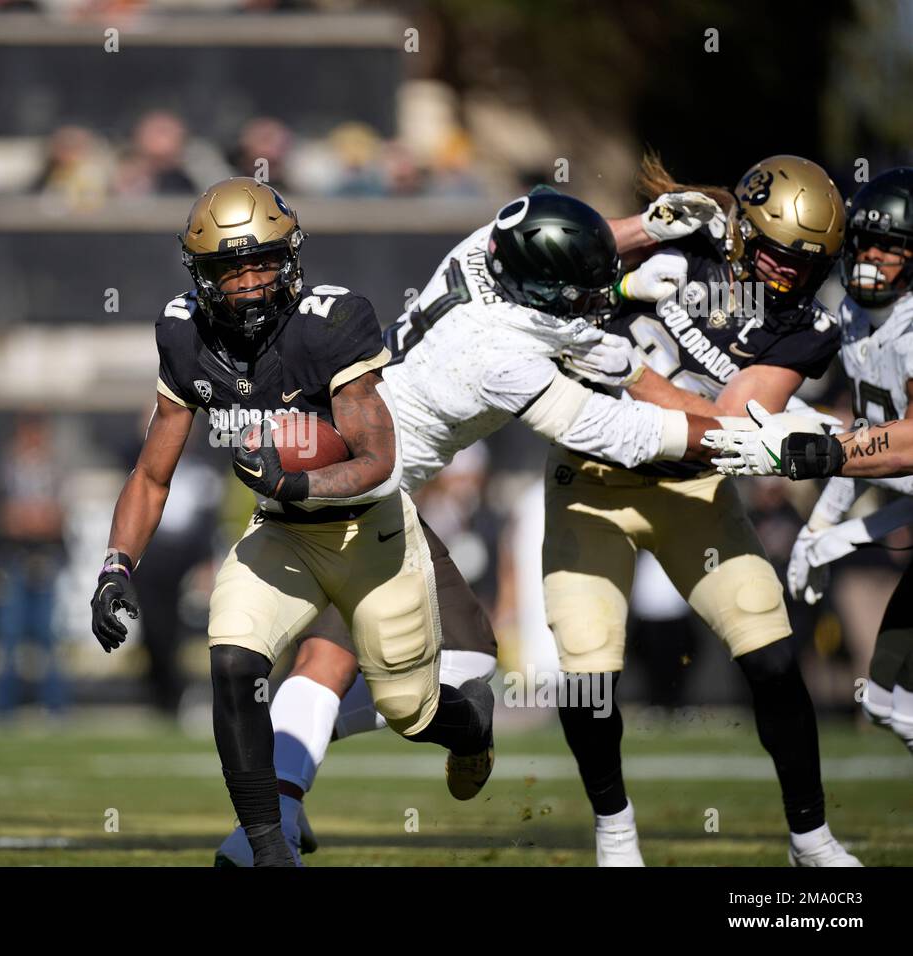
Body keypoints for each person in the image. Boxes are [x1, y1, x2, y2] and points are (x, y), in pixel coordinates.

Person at [216, 188, 736, 865]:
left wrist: (645, 228)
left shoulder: (481, 251)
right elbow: (626, 432)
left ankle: (279, 806)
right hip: (370, 491)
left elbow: (559, 242)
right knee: (465, 673)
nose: (593, 298)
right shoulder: (504, 356)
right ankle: (282, 802)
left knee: (328, 657)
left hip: (339, 470)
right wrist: (756, 442)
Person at [89, 177, 496, 866]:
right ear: (202, 276)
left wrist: (294, 478)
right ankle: (271, 848)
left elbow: (379, 459)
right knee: (232, 660)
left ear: (291, 257)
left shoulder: (330, 322)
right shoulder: (184, 335)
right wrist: (115, 565)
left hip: (368, 533)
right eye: (229, 269)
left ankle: (472, 731)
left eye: (261, 263)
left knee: (411, 711)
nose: (248, 284)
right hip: (280, 530)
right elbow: (151, 474)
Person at [542, 155, 861, 866]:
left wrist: (627, 368)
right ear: (744, 232)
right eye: (778, 254)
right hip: (594, 476)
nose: (788, 274)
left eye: (808, 262)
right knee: (588, 672)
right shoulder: (684, 246)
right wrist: (637, 232)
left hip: (690, 485)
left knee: (774, 658)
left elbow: (727, 422)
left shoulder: (806, 324)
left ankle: (811, 840)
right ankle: (615, 832)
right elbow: (562, 253)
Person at [703, 167, 913, 756]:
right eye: (862, 244)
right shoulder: (851, 316)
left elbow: (906, 445)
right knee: (887, 699)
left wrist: (818, 454)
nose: (871, 259)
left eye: (889, 248)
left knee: (895, 697)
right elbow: (875, 444)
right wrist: (824, 528)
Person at [0, 416, 70, 717]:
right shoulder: (5, 469)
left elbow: (57, 518)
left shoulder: (54, 471)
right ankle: (2, 708)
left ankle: (56, 707)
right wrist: (30, 519)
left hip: (45, 563)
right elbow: (2, 517)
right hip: (14, 562)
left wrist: (29, 519)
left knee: (49, 638)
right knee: (8, 637)